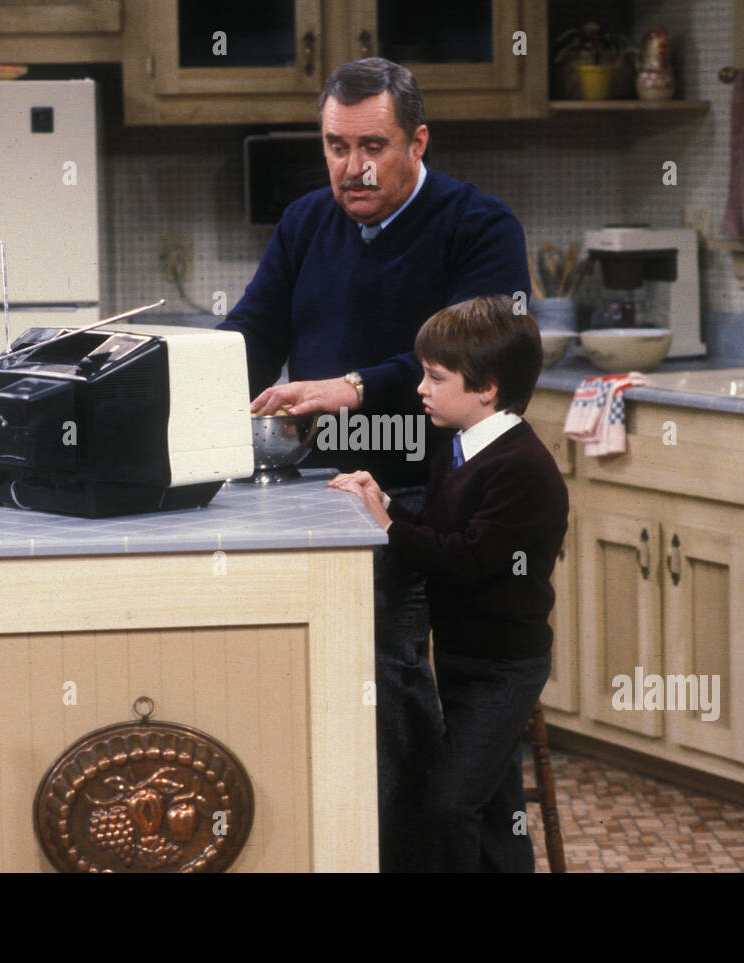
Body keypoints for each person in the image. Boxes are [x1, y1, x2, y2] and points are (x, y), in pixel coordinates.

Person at [216, 58, 530, 873]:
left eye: (373, 147)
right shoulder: (304, 222)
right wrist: (182, 375)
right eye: (335, 146)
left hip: (440, 493)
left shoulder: (479, 225)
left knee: (379, 666)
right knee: (305, 664)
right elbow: (253, 331)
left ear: (417, 142)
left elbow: (478, 360)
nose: (351, 168)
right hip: (325, 491)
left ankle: (419, 853)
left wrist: (352, 387)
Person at [328, 295, 569, 873]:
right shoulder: (456, 452)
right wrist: (386, 503)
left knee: (449, 805)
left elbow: (467, 559)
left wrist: (388, 527)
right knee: (495, 806)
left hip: (504, 667)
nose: (421, 389)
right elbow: (441, 535)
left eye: (436, 378)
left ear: (486, 388)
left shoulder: (520, 467)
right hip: (463, 659)